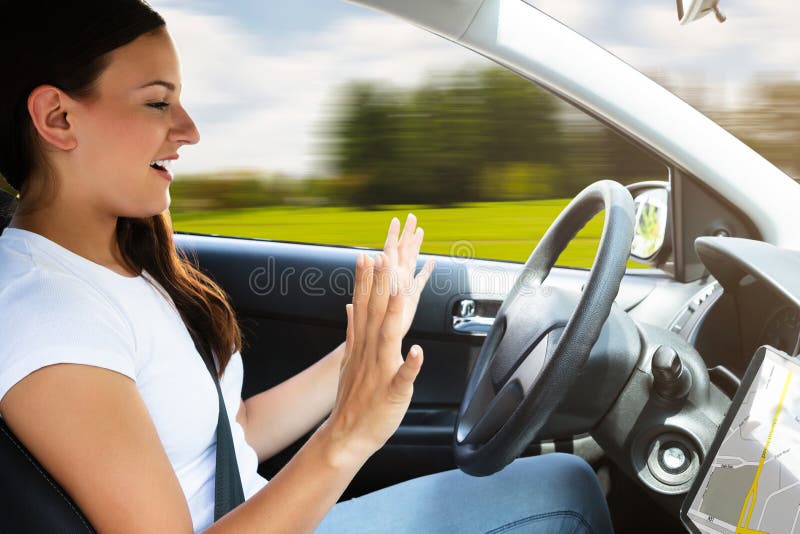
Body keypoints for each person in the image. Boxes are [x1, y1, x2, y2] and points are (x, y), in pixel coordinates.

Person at [0, 1, 614, 532]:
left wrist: (361, 350)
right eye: (158, 102)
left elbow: (231, 432)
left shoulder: (118, 263)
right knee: (565, 489)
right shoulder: (47, 315)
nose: (189, 131)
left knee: (560, 479)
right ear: (58, 118)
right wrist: (348, 435)